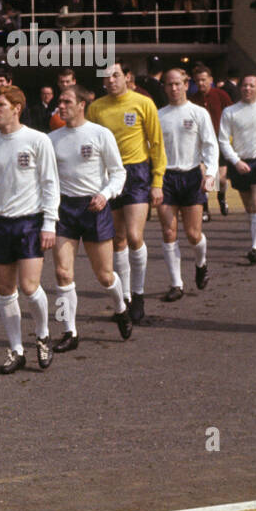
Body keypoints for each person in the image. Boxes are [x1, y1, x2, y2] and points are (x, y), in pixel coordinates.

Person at [0, 85, 61, 374]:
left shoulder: (37, 140)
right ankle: (16, 350)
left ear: (16, 107)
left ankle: (43, 334)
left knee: (30, 287)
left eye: (0, 105)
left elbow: (50, 184)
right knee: (5, 289)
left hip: (30, 222)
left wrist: (49, 223)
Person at [48, 85, 133, 351]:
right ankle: (69, 331)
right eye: (59, 101)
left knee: (105, 276)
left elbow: (118, 173)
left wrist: (105, 194)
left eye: (66, 101)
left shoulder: (100, 134)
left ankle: (121, 307)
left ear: (82, 104)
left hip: (94, 208)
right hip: (65, 210)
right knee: (62, 273)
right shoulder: (51, 139)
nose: (61, 106)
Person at [86, 64, 166, 324]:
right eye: (106, 77)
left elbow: (156, 144)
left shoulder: (144, 103)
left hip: (137, 174)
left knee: (134, 236)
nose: (110, 81)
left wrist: (157, 181)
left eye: (115, 75)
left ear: (127, 77)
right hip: (109, 176)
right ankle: (127, 297)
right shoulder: (96, 108)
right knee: (118, 239)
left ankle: (139, 294)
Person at [156, 68, 217, 299]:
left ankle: (201, 264)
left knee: (193, 234)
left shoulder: (198, 113)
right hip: (166, 178)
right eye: (169, 84)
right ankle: (176, 284)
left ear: (186, 84)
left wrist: (210, 174)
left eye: (177, 84)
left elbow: (211, 146)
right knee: (168, 230)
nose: (173, 88)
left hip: (192, 176)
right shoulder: (159, 115)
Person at [217, 72, 256, 262]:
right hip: (240, 163)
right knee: (250, 207)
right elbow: (223, 140)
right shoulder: (230, 112)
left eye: (252, 86)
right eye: (245, 85)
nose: (247, 88)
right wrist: (236, 161)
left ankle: (254, 248)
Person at [190, 64, 232, 217]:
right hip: (200, 144)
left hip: (220, 142)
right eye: (197, 81)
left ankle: (221, 197)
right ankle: (205, 208)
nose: (201, 83)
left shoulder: (221, 95)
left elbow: (230, 116)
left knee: (220, 179)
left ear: (211, 80)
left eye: (203, 80)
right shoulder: (192, 100)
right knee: (205, 176)